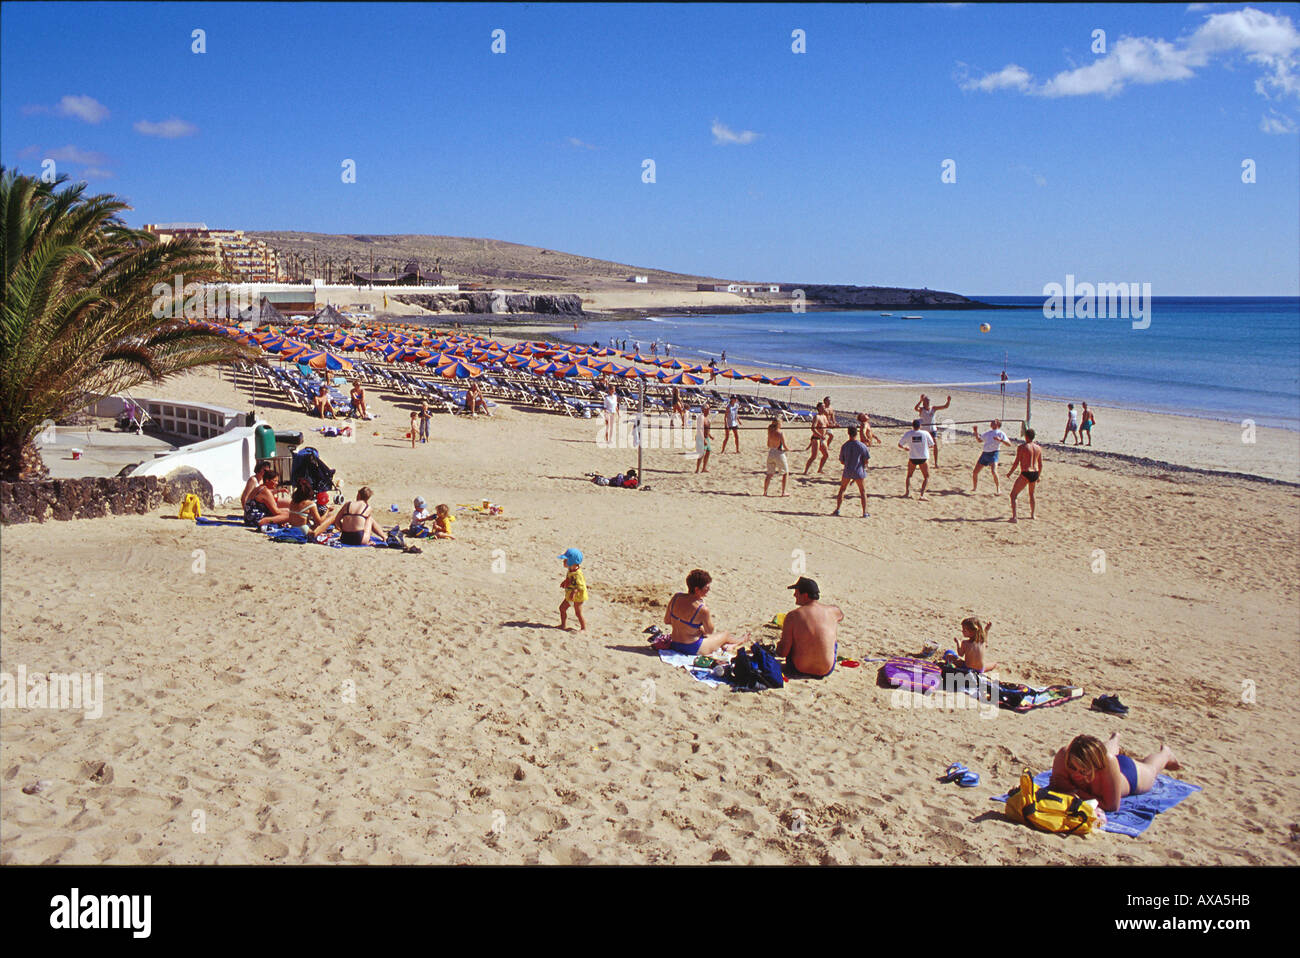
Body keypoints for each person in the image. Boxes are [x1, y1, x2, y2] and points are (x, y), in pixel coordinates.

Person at [1050, 733, 1181, 813]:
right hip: (1102, 760)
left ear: (1095, 767)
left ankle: (1166, 753)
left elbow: (1111, 805)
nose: (1077, 774)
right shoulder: (1064, 755)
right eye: (1072, 768)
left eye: (1083, 771)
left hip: (1129, 775)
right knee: (1105, 751)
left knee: (1151, 769)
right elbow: (1057, 787)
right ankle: (1115, 738)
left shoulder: (1106, 762)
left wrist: (1075, 792)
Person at [777, 577, 842, 678]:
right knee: (831, 641)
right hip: (826, 670)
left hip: (799, 669)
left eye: (796, 592)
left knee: (792, 641)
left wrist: (778, 646)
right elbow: (841, 616)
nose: (794, 595)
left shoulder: (793, 616)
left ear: (805, 595)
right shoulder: (833, 611)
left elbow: (783, 652)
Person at [663, 569, 736, 656]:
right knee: (726, 634)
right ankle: (741, 641)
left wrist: (686, 626)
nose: (709, 590)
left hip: (674, 643)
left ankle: (732, 644)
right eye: (707, 587)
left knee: (709, 636)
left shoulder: (676, 597)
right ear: (697, 589)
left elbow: (667, 620)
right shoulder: (702, 609)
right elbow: (710, 631)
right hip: (692, 648)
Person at [316, 486, 381, 545]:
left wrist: (342, 529)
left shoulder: (348, 504)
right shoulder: (367, 507)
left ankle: (382, 536)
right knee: (369, 519)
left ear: (358, 495)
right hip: (359, 540)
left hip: (345, 538)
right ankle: (383, 536)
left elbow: (337, 520)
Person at [832, 425, 871, 517]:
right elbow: (866, 460)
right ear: (856, 433)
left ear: (848, 433)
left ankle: (838, 509)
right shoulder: (862, 446)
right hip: (859, 470)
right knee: (862, 491)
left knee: (842, 489)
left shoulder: (845, 446)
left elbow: (842, 460)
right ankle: (864, 512)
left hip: (848, 470)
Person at [1006, 427, 1043, 522]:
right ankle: (1033, 515)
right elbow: (1040, 464)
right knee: (1032, 494)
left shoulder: (1022, 447)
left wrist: (1010, 473)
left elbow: (1016, 462)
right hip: (1035, 473)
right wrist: (1039, 476)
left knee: (1013, 495)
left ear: (1026, 436)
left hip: (1026, 472)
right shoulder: (1038, 448)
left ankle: (1014, 517)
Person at [258, 478, 326, 529]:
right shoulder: (310, 504)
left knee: (289, 512)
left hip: (294, 528)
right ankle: (264, 521)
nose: (277, 483)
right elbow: (276, 511)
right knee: (289, 514)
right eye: (275, 480)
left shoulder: (293, 501)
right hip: (303, 531)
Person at [971, 419, 1015, 493]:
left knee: (994, 471)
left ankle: (998, 489)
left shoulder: (1001, 433)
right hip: (985, 453)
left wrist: (1001, 440)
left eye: (994, 422)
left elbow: (1009, 444)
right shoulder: (988, 433)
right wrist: (976, 432)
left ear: (998, 424)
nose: (992, 422)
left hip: (994, 453)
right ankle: (974, 488)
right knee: (975, 472)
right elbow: (979, 440)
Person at [898, 418, 935, 500]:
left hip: (913, 457)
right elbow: (932, 444)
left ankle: (907, 493)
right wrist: (925, 447)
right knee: (926, 477)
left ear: (913, 426)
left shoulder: (909, 433)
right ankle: (922, 495)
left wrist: (905, 448)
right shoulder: (925, 433)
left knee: (909, 476)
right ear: (920, 426)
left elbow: (900, 444)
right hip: (923, 457)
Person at [915, 394, 952, 466]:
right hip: (924, 431)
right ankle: (920, 461)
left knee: (935, 445)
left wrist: (948, 401)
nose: (928, 402)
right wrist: (920, 400)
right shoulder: (921, 409)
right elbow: (915, 408)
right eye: (926, 401)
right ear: (924, 402)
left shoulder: (933, 408)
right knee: (922, 446)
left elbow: (945, 406)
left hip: (933, 430)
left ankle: (936, 463)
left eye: (928, 401)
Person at [558, 547, 587, 631]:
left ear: (572, 562)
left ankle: (583, 628)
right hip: (569, 594)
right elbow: (570, 579)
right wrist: (565, 582)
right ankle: (563, 625)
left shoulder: (578, 574)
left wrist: (574, 592)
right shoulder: (570, 570)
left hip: (578, 596)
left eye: (566, 560)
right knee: (562, 608)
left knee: (578, 613)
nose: (563, 562)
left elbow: (580, 586)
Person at [763, 418, 790, 497]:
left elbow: (768, 445)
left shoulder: (770, 432)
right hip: (779, 453)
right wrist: (789, 449)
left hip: (771, 452)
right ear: (779, 424)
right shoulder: (780, 432)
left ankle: (765, 491)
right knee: (785, 473)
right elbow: (785, 445)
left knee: (769, 473)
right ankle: (783, 492)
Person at [803, 402, 830, 475]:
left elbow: (827, 425)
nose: (824, 408)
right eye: (822, 407)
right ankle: (805, 471)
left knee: (826, 455)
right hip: (816, 438)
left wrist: (835, 425)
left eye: (824, 407)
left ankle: (820, 469)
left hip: (822, 439)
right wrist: (820, 435)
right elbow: (813, 428)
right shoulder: (817, 417)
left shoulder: (824, 416)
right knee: (814, 456)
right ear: (818, 408)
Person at [694, 403, 713, 473]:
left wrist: (710, 436)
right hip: (701, 437)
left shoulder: (707, 417)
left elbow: (707, 429)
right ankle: (697, 469)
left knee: (708, 452)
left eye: (709, 409)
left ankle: (704, 468)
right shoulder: (701, 417)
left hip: (706, 437)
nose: (709, 410)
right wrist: (703, 439)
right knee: (701, 454)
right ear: (704, 410)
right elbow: (700, 429)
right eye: (707, 409)